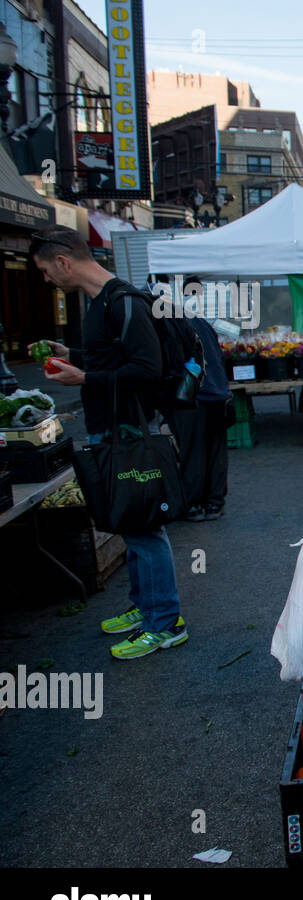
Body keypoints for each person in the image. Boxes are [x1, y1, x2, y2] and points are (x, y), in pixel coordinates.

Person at [27, 225, 187, 659]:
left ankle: (166, 623)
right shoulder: (100, 304)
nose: (47, 280)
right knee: (130, 523)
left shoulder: (124, 301)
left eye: (45, 271)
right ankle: (144, 608)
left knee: (144, 527)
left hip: (129, 430)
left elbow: (148, 369)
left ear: (63, 262)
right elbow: (114, 358)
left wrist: (86, 377)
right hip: (111, 429)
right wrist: (75, 356)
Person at [169, 285, 232, 522]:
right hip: (217, 394)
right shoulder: (200, 322)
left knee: (193, 451)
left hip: (193, 397)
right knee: (215, 451)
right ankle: (215, 503)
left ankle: (194, 504)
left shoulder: (172, 326)